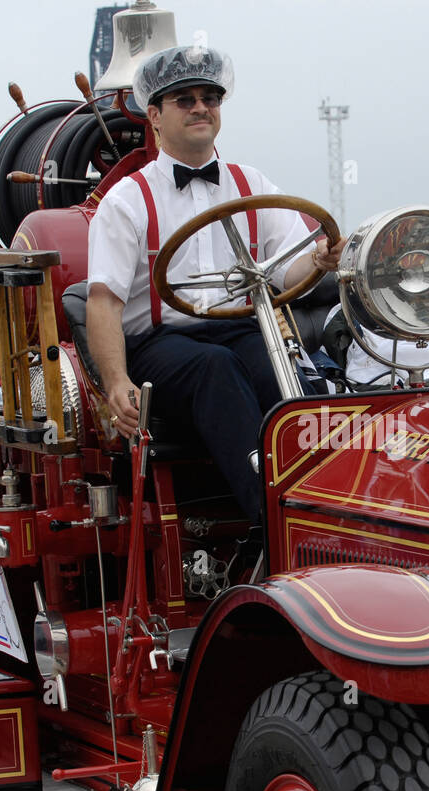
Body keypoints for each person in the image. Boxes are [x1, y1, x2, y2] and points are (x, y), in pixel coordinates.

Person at [87, 45, 345, 519]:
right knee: (215, 367)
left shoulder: (252, 184)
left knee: (284, 370)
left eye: (211, 97)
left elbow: (288, 270)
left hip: (243, 327)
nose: (201, 107)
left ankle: (333, 502)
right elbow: (103, 302)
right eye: (184, 99)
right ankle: (276, 523)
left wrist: (320, 260)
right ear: (155, 116)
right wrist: (117, 381)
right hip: (160, 345)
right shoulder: (127, 200)